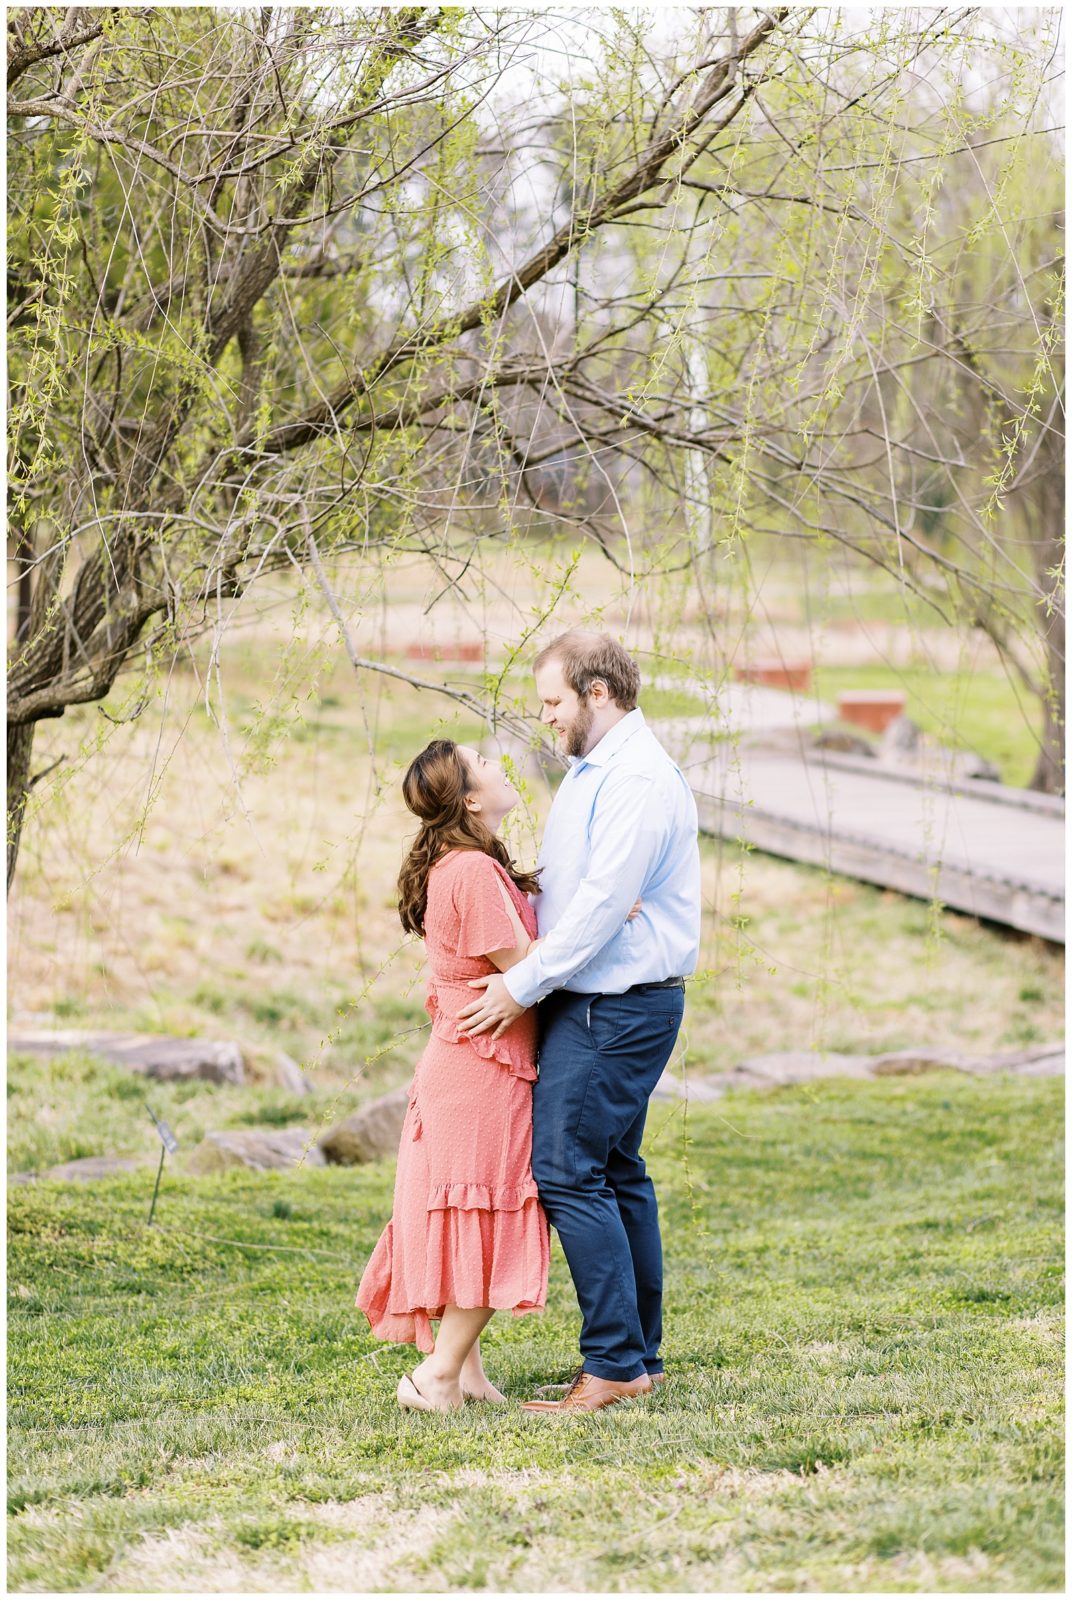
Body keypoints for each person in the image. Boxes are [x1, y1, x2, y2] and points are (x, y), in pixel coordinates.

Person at [459, 631, 701, 1414]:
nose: (546, 717)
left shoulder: (636, 779)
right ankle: (637, 1357)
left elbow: (600, 906)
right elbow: (585, 893)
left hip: (615, 1005)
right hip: (601, 996)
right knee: (616, 1172)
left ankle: (615, 1363)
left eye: (554, 701)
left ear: (598, 694)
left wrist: (519, 987)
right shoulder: (598, 772)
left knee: (567, 1170)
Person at [355, 740, 549, 1412]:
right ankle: (436, 1377)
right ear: (469, 798)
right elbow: (528, 964)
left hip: (467, 1064)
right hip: (480, 1071)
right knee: (484, 1208)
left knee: (467, 1210)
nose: (500, 763)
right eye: (485, 761)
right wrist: (608, 923)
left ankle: (466, 1376)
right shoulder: (468, 869)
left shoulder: (464, 864)